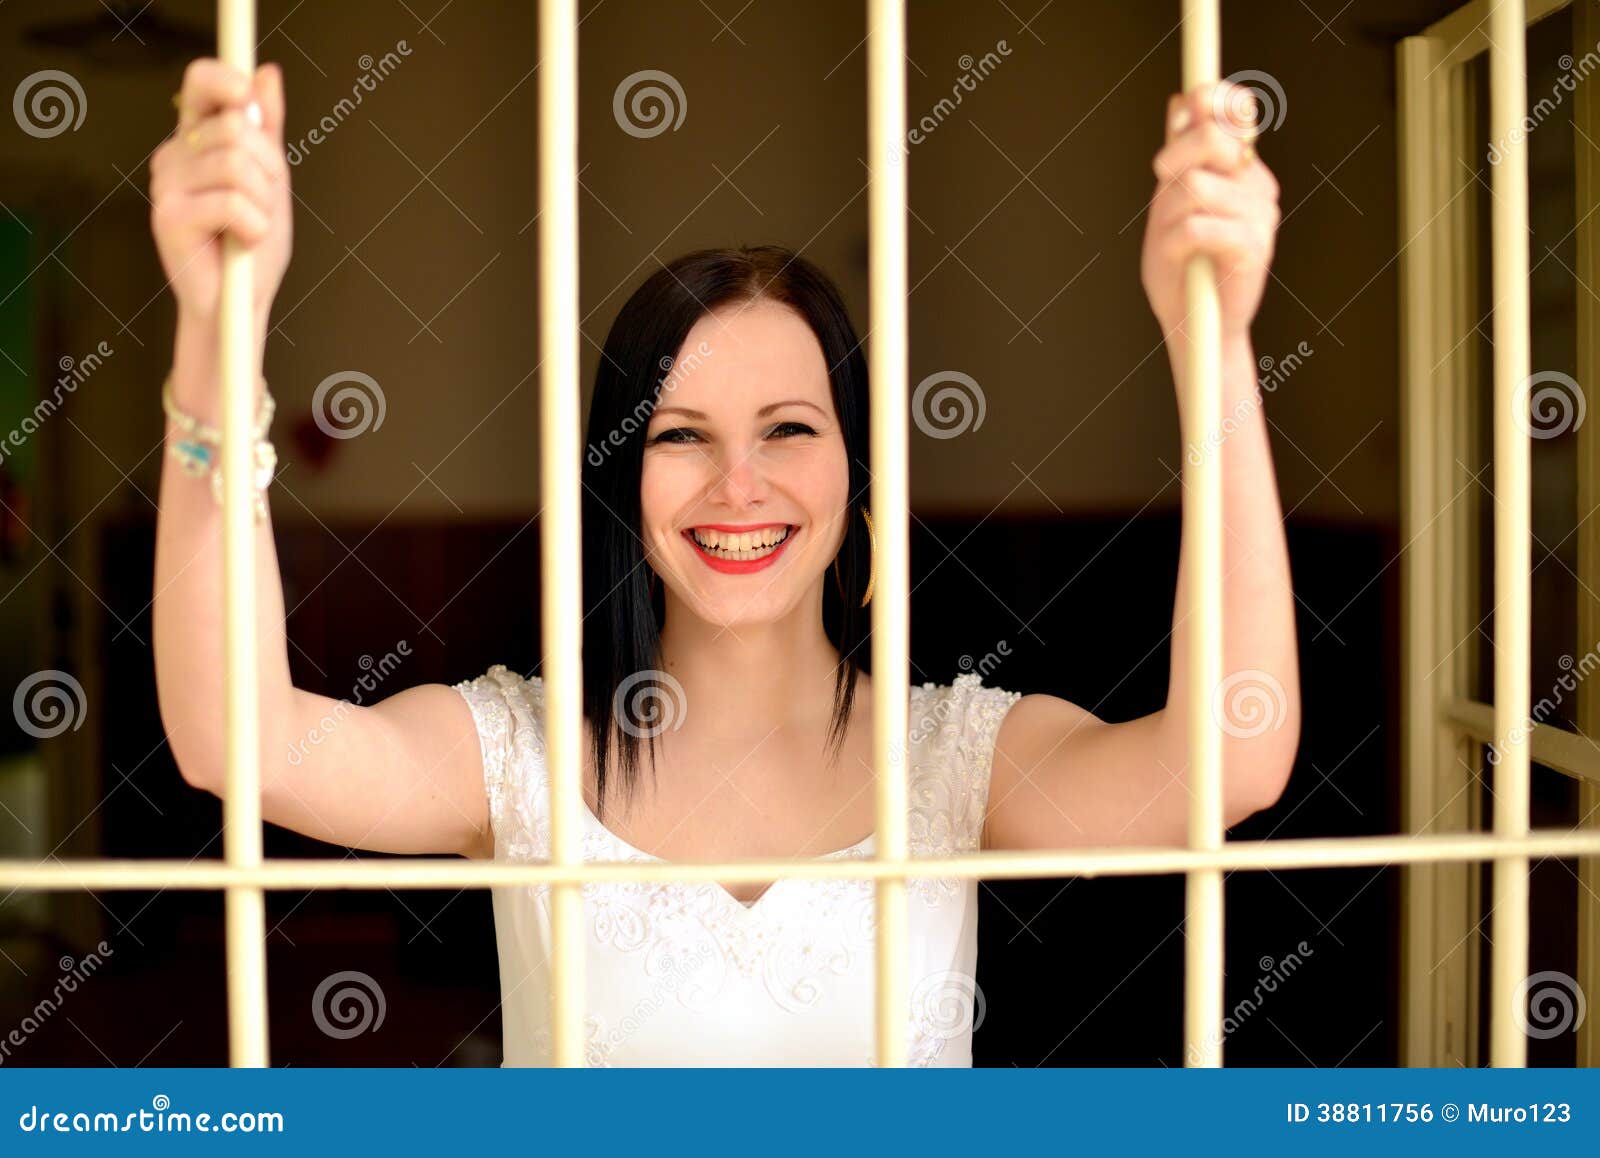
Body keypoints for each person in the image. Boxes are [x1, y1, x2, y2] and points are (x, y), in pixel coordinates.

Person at [150, 58, 1300, 1066]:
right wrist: (217, 334)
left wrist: (1213, 344)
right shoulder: (520, 757)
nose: (737, 485)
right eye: (680, 436)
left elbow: (1232, 762)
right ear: (621, 476)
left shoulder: (956, 758)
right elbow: (231, 736)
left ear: (856, 467)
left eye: (789, 429)